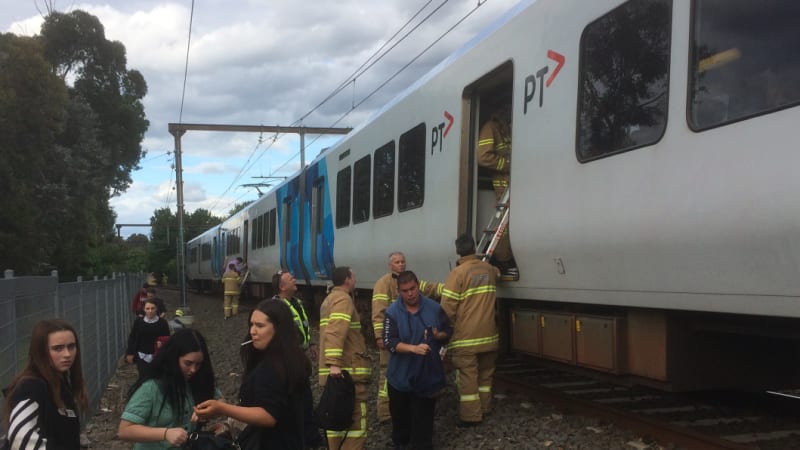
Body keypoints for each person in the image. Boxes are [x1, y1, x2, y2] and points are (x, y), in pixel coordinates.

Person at [194, 299, 308, 449]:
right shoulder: (293, 358)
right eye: (251, 325)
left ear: (278, 328)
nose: (252, 331)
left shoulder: (272, 368)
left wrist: (222, 408)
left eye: (260, 326)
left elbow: (268, 416)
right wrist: (230, 425)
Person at [383, 271, 452, 450]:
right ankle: (401, 441)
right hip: (400, 376)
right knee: (401, 422)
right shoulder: (392, 312)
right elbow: (389, 342)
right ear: (399, 291)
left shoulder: (434, 308)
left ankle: (422, 444)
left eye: (413, 289)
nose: (410, 294)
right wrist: (413, 349)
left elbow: (448, 331)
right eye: (405, 291)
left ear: (418, 286)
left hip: (426, 376)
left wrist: (439, 336)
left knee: (423, 420)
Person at [371, 252, 442, 423]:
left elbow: (431, 288)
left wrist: (451, 287)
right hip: (391, 337)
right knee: (388, 373)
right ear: (390, 265)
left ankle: (407, 408)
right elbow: (378, 312)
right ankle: (385, 412)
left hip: (407, 336)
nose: (401, 264)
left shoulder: (409, 281)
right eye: (397, 262)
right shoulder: (383, 284)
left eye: (403, 261)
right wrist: (380, 337)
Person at [118, 329, 218, 449]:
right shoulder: (151, 388)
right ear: (174, 358)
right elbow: (124, 430)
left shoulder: (197, 381)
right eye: (188, 363)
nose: (193, 370)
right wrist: (166, 433)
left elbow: (219, 400)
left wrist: (208, 412)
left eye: (198, 364)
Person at [440, 234, 500, 427]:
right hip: (489, 336)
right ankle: (485, 407)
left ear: (458, 251)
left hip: (466, 339)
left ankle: (471, 416)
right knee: (485, 376)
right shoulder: (489, 270)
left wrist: (443, 333)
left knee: (468, 379)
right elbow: (498, 273)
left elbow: (447, 308)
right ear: (474, 248)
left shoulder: (457, 274)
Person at [2, 319, 88, 449]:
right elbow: (20, 438)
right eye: (57, 348)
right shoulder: (31, 387)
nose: (67, 354)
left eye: (71, 346)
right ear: (40, 352)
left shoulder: (60, 383)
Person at [319, 266, 372, 450]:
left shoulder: (329, 299)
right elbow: (336, 330)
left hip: (336, 376)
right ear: (347, 279)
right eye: (353, 276)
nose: (355, 279)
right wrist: (334, 364)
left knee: (336, 420)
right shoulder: (343, 299)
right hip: (348, 373)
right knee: (357, 423)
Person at [271, 270, 325, 448]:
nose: (294, 279)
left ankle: (308, 435)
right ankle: (304, 435)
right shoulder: (276, 307)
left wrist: (311, 344)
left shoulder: (296, 303)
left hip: (300, 357)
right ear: (282, 287)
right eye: (290, 278)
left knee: (305, 397)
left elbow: (303, 327)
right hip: (288, 361)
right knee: (298, 398)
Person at [477, 102, 517, 278]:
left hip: (514, 182)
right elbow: (483, 157)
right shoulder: (490, 128)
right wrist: (508, 165)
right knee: (505, 224)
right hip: (503, 183)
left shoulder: (506, 129)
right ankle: (503, 259)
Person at [126, 298, 171, 377]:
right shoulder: (138, 322)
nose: (150, 311)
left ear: (156, 309)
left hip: (157, 356)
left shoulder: (162, 323)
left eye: (152, 308)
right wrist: (130, 353)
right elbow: (132, 337)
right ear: (144, 309)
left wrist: (163, 345)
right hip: (142, 356)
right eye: (148, 308)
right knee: (144, 377)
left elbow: (167, 339)